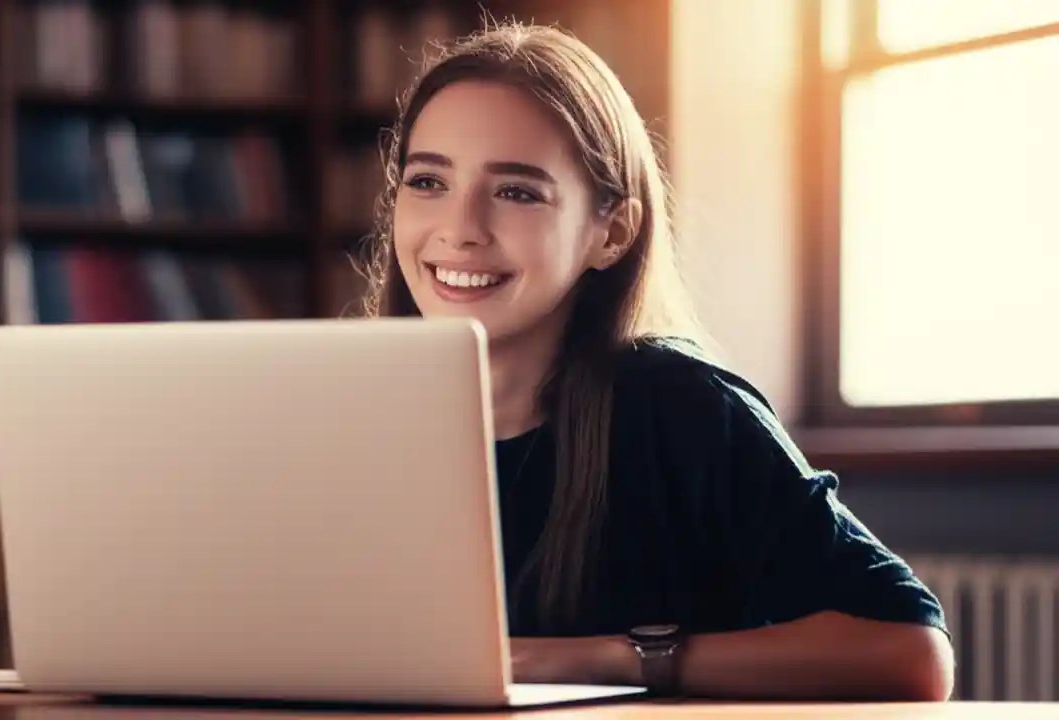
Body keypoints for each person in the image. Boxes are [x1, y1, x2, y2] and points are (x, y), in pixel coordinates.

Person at [354, 21, 954, 700]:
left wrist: (600, 658)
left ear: (610, 233)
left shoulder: (682, 406)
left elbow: (911, 651)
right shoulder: (356, 421)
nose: (459, 228)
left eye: (516, 191)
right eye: (428, 181)